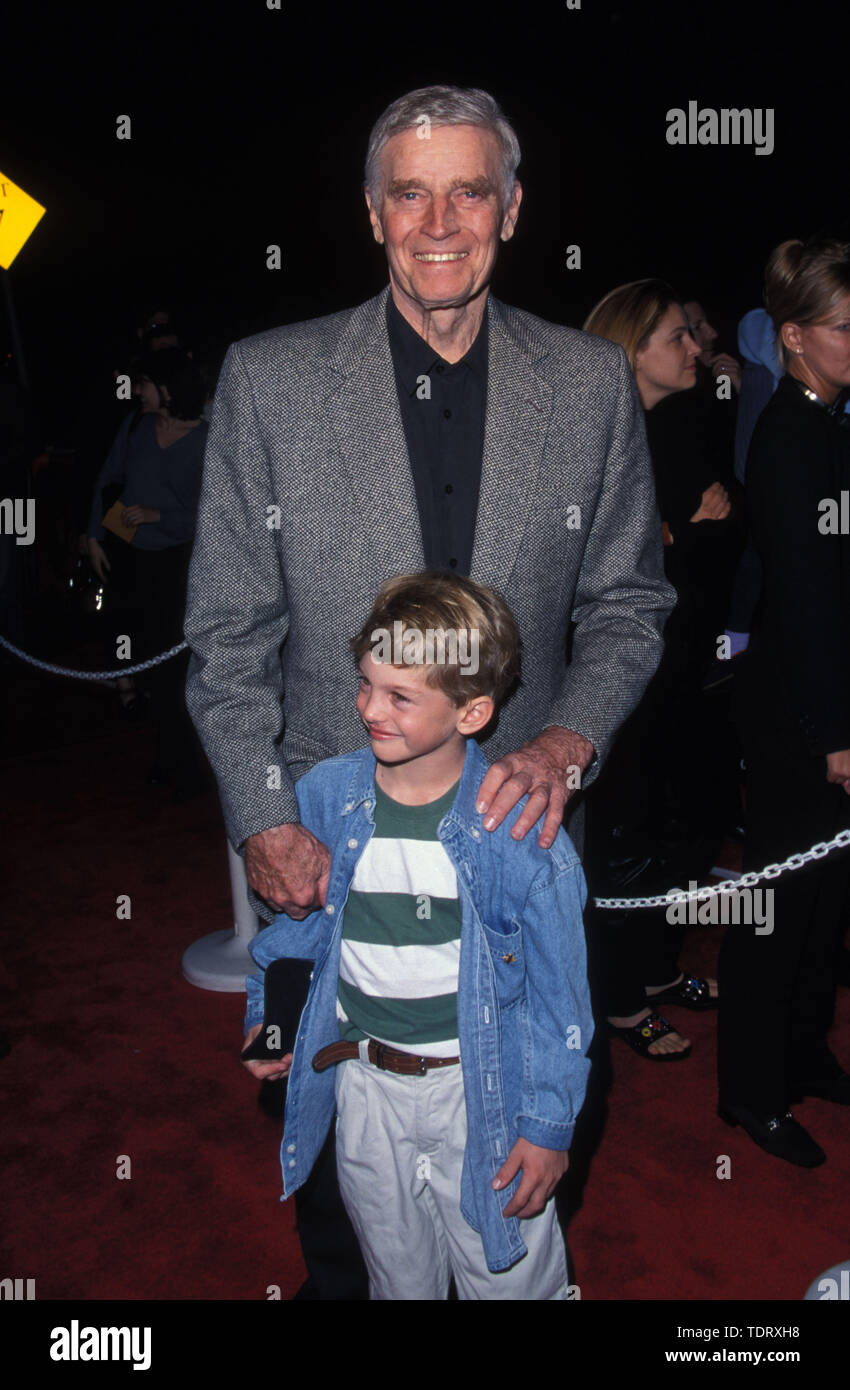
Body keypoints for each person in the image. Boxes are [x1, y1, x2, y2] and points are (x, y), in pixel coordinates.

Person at [185, 85, 675, 1297]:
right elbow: (226, 632)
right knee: (351, 1207)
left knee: (525, 1151)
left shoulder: (589, 385)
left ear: (510, 211)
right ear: (371, 211)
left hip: (521, 835)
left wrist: (564, 742)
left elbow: (627, 605)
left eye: (469, 190)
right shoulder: (270, 380)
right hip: (329, 846)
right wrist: (262, 815)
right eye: (411, 191)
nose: (439, 219)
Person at [241, 572, 594, 1299]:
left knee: (511, 1280)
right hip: (366, 1089)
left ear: (472, 713)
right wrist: (269, 1020)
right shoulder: (327, 796)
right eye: (366, 684)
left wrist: (548, 1127)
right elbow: (297, 933)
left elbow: (560, 999)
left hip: (483, 1094)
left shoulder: (519, 830)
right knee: (398, 1279)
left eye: (400, 696)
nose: (370, 709)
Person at [717, 237, 850, 1167]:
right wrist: (836, 734)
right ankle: (751, 1093)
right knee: (774, 908)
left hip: (826, 696)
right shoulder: (793, 436)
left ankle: (802, 1053)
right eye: (847, 327)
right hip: (802, 709)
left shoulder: (831, 418)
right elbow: (806, 602)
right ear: (794, 336)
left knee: (823, 898)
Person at [583, 280, 741, 1058]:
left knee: (679, 824)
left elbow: (722, 525)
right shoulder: (592, 438)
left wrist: (683, 533)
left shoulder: (673, 426)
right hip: (617, 677)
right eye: (679, 337)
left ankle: (652, 973)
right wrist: (680, 532)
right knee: (623, 835)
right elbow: (592, 561)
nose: (696, 348)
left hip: (678, 664)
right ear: (631, 348)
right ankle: (615, 1000)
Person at [87, 347, 209, 797]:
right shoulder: (136, 426)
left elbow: (216, 517)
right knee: (140, 658)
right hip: (130, 559)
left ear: (168, 389)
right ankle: (166, 754)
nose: (137, 392)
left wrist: (160, 517)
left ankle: (183, 763)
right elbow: (106, 481)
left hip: (177, 565)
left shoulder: (205, 440)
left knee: (174, 670)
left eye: (145, 384)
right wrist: (94, 535)